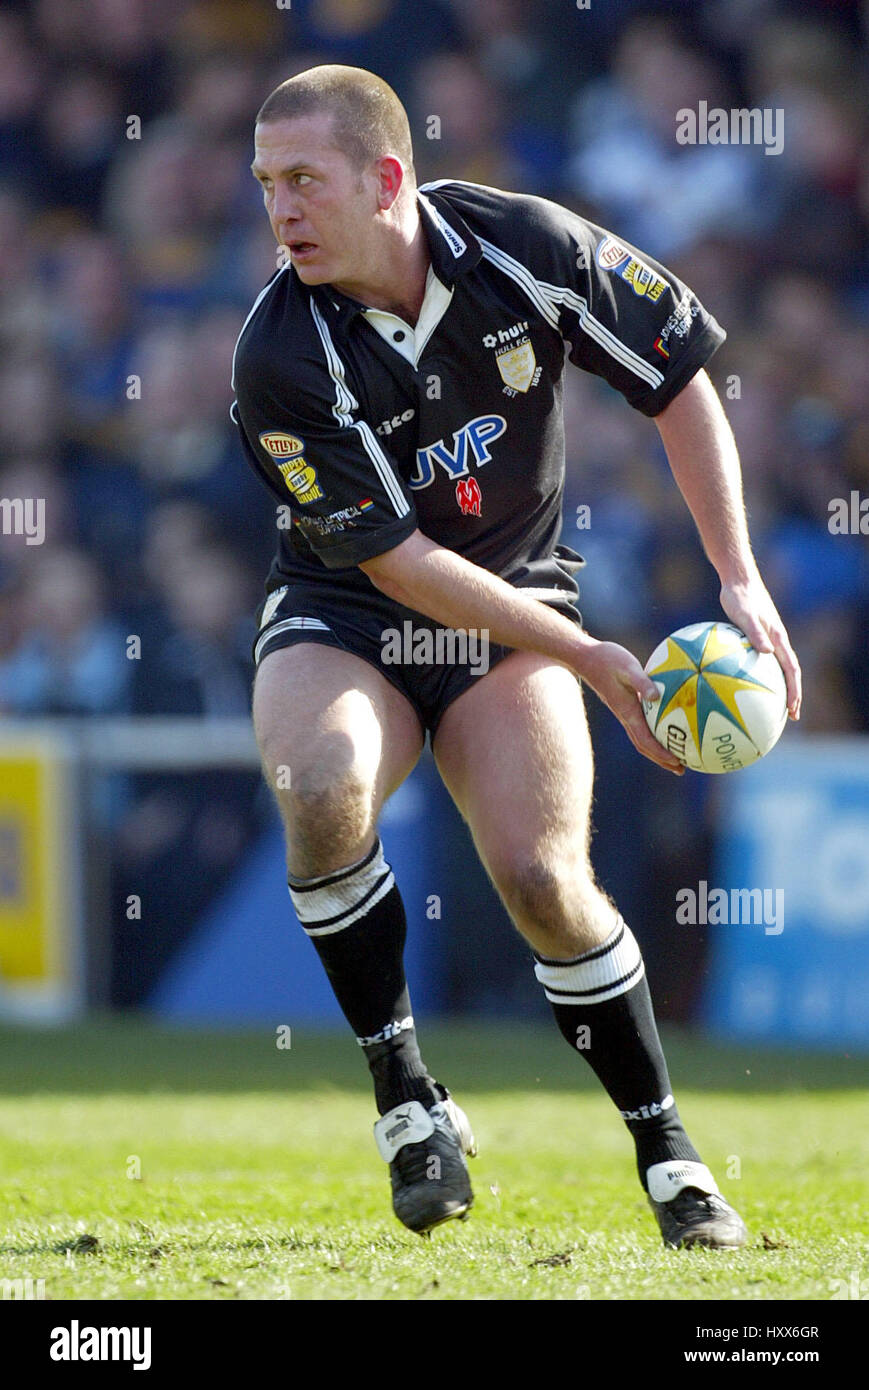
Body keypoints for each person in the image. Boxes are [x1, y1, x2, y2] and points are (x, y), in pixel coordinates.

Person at [231, 65, 801, 1246]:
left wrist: (737, 574)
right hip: (347, 609)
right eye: (264, 183)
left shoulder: (521, 242)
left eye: (302, 180)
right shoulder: (276, 353)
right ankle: (405, 1098)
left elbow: (677, 379)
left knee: (542, 879)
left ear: (386, 178)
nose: (279, 208)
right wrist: (593, 654)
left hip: (516, 607)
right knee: (322, 788)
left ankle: (669, 1158)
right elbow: (394, 563)